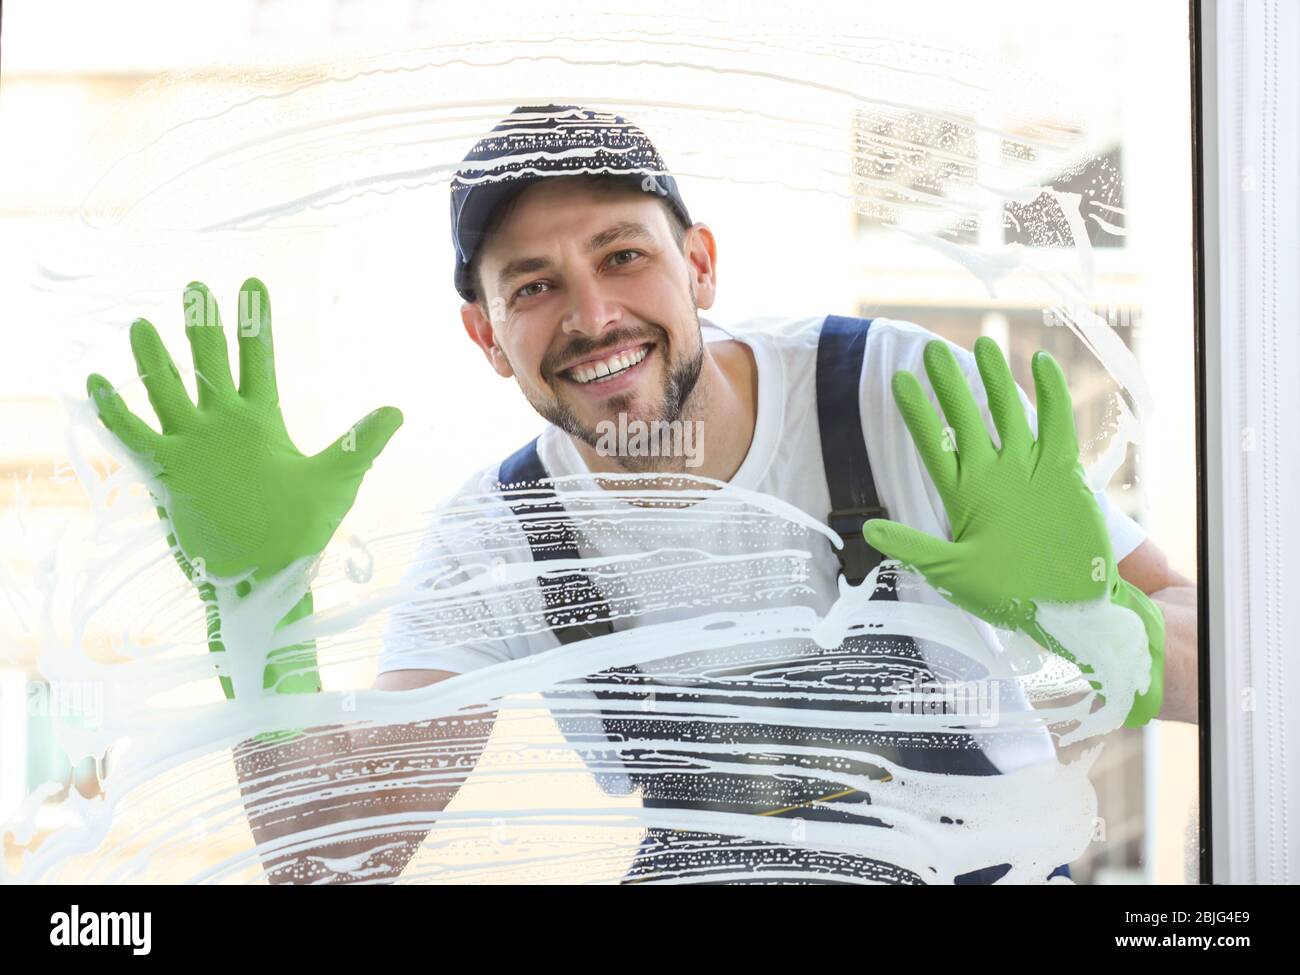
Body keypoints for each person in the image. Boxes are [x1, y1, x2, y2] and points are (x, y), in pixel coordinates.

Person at [86, 104, 1197, 884]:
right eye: (533, 285)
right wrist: (257, 603)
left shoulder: (892, 396)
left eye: (622, 255)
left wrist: (1092, 618)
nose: (590, 315)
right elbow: (329, 859)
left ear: (699, 264)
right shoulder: (504, 540)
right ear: (486, 334)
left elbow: (1227, 671)